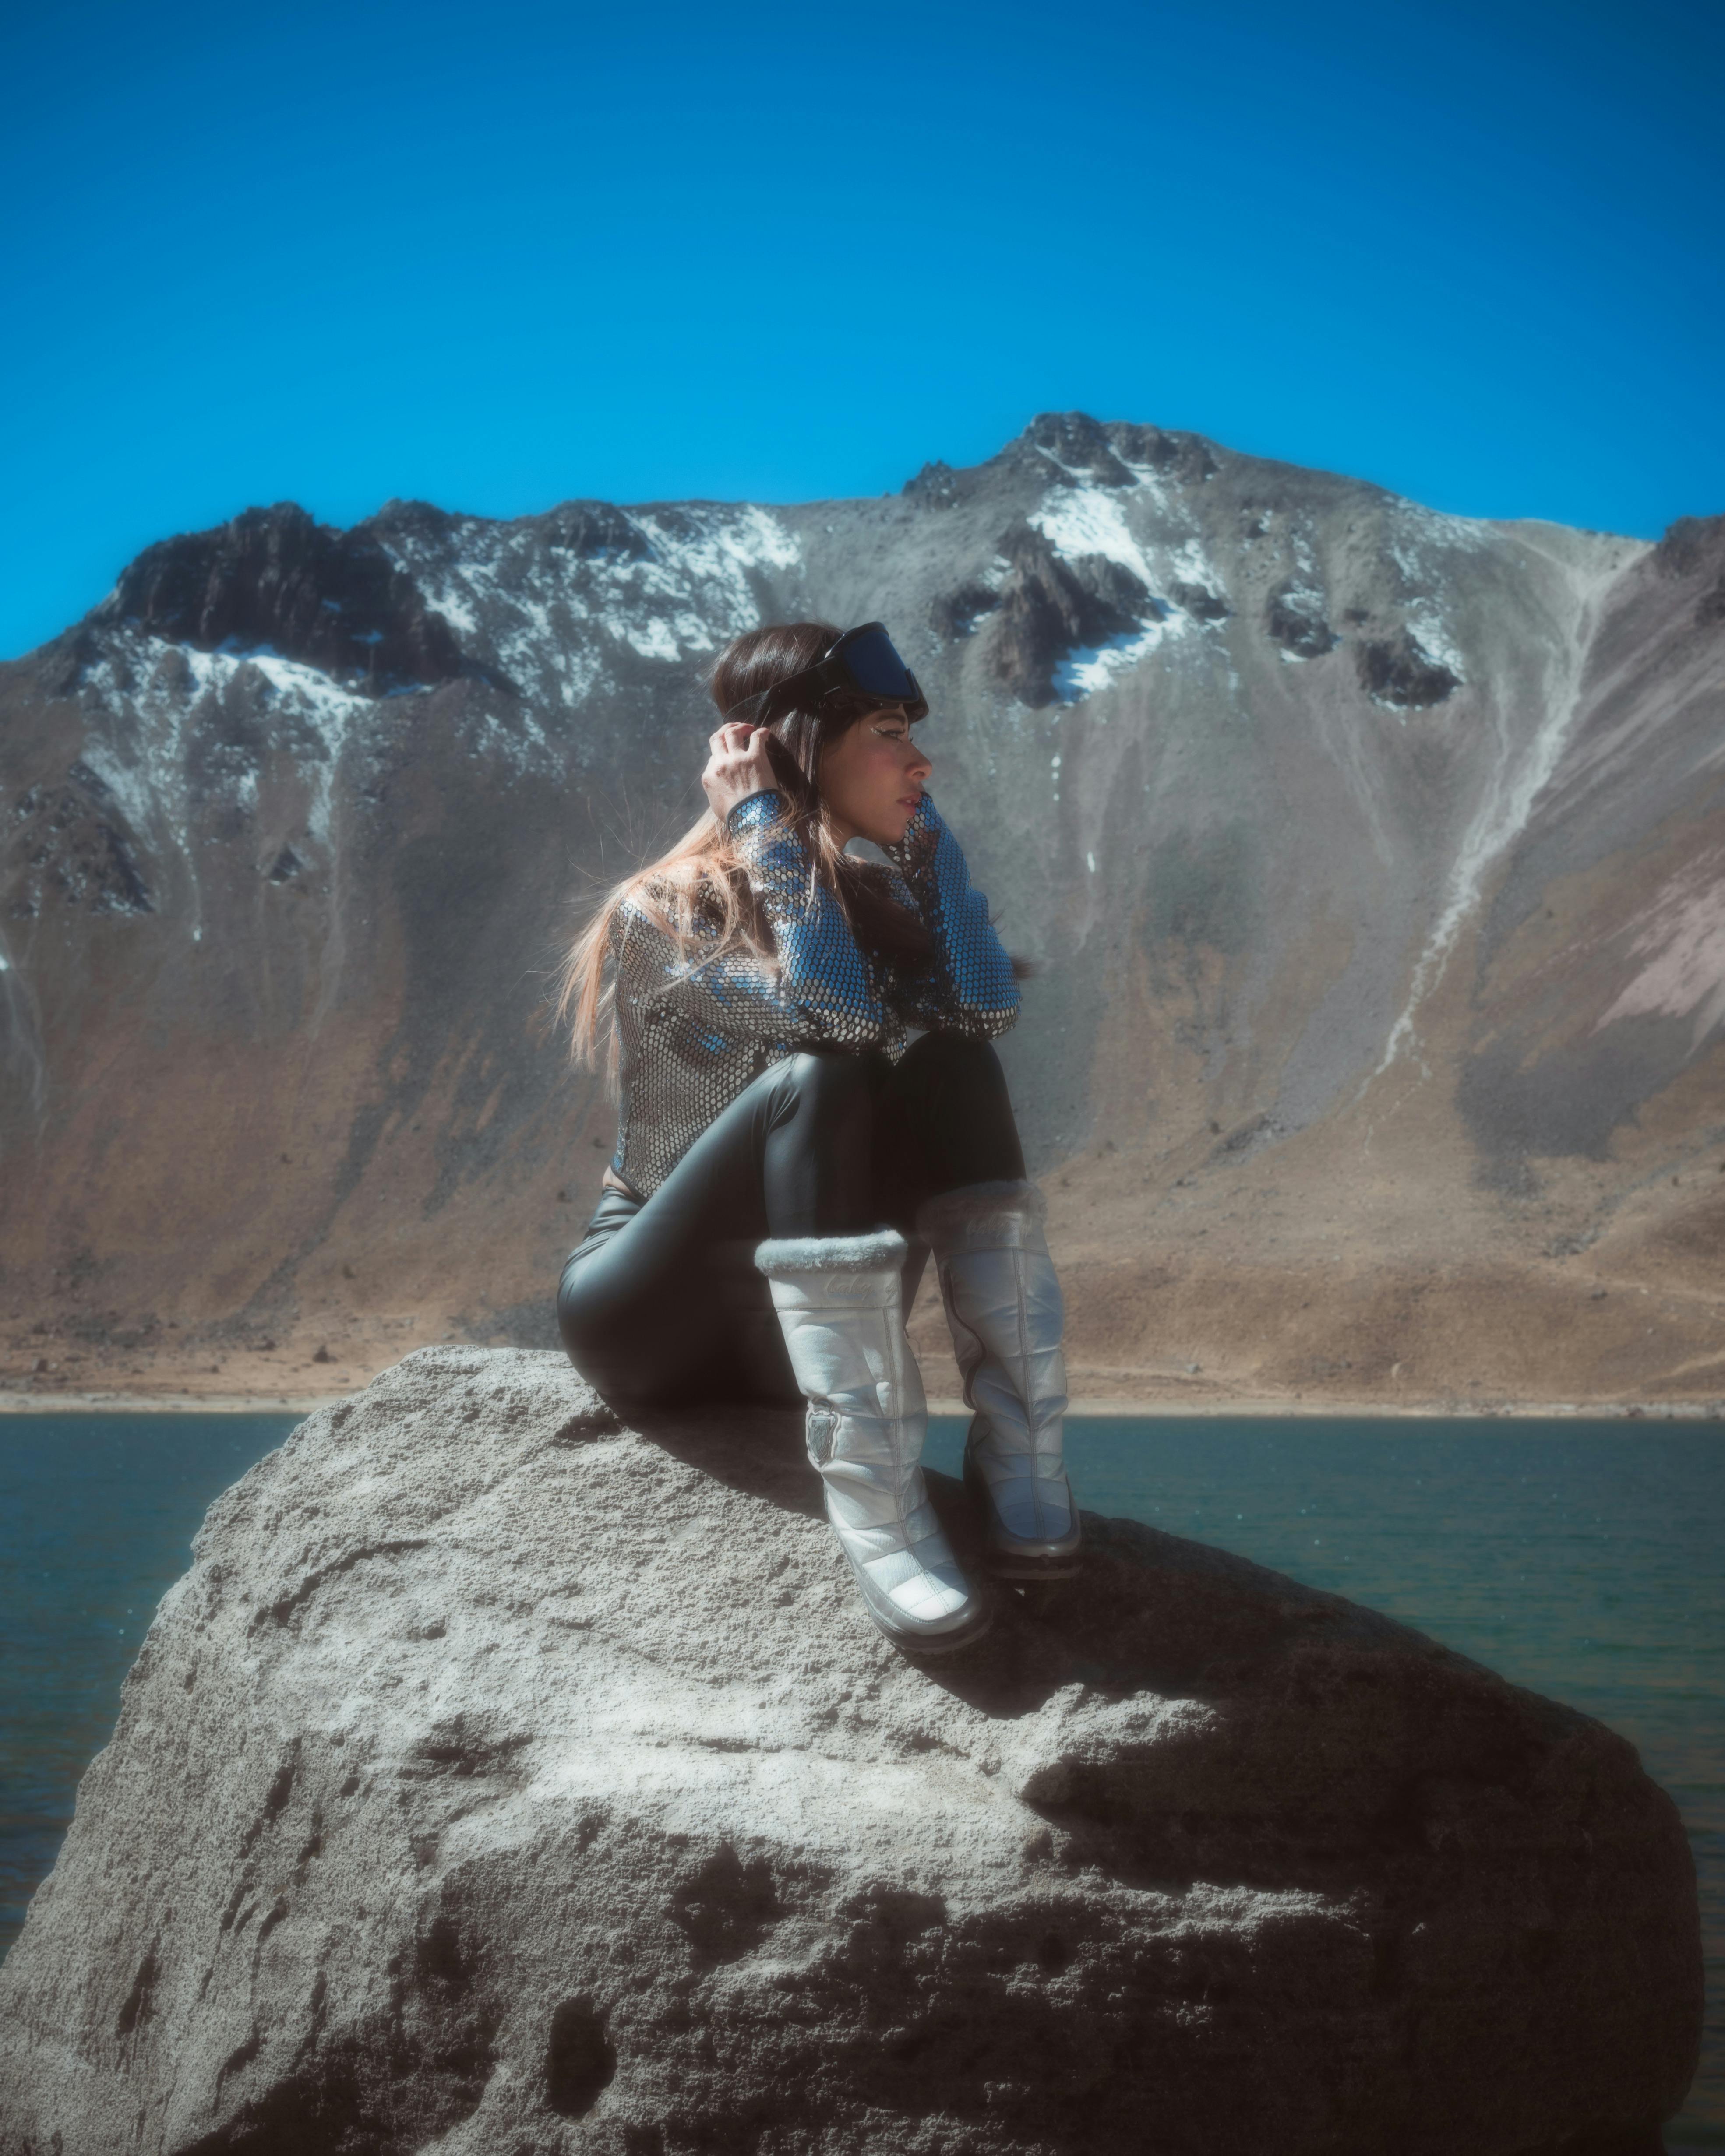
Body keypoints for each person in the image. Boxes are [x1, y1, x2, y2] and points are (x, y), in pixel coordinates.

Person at [554, 620, 1080, 1653]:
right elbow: (831, 1022)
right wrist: (763, 819)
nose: (919, 759)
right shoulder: (663, 912)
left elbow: (980, 1016)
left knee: (952, 1060)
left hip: (782, 1346)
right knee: (823, 1075)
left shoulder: (868, 899)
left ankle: (1024, 1462)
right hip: (652, 1315)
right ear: (796, 748)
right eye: (888, 732)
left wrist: (930, 849)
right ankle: (881, 1517)